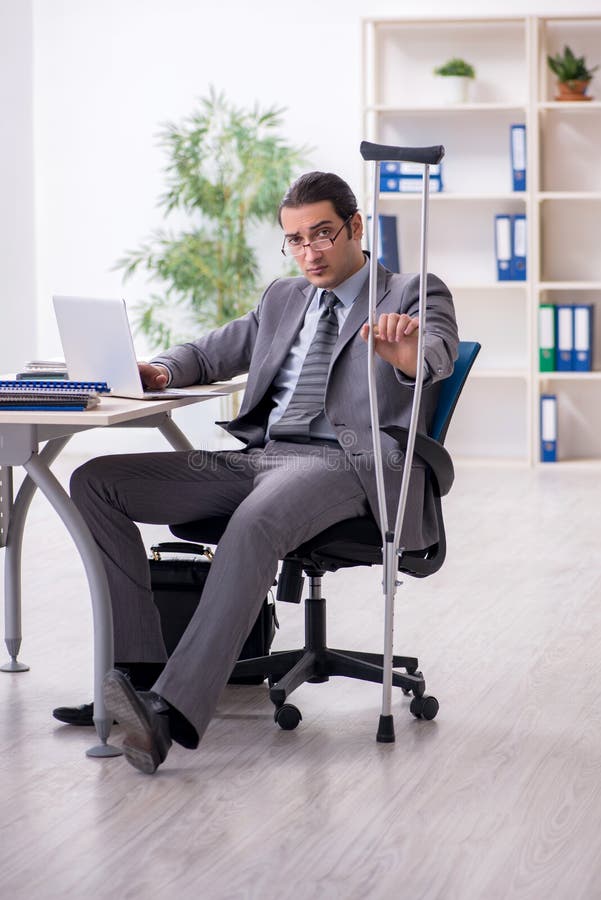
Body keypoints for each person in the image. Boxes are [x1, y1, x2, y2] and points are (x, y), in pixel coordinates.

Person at [53, 171, 459, 774]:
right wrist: (161, 370)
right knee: (97, 481)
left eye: (322, 234)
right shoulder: (282, 297)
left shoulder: (408, 290)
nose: (309, 252)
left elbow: (437, 353)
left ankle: (170, 715)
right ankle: (137, 676)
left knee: (256, 520)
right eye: (294, 240)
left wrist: (407, 356)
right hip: (260, 456)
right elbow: (211, 351)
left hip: (345, 461)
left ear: (355, 227)